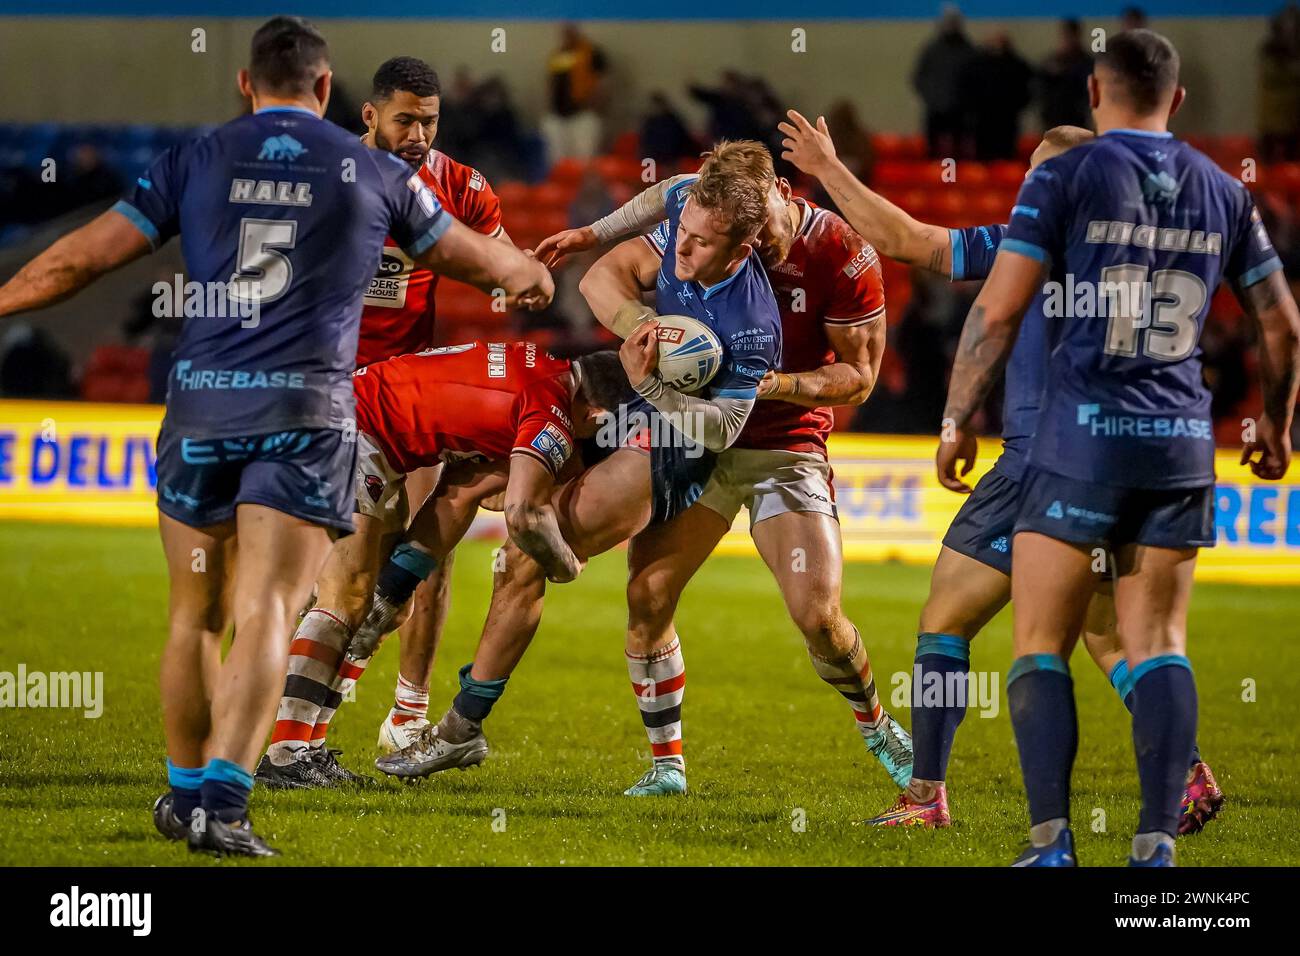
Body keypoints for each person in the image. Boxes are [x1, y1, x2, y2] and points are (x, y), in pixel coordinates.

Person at [0, 16, 552, 857]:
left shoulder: (198, 158)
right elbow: (493, 265)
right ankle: (225, 803)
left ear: (244, 85)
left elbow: (78, 261)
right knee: (267, 605)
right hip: (308, 414)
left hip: (203, 408)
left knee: (195, 617)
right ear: (333, 94)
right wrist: (534, 273)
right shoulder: (370, 171)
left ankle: (186, 796)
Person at [780, 110, 1227, 835]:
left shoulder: (1036, 239)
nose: (1029, 188)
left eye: (1039, 176)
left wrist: (828, 169)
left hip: (1041, 458)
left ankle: (930, 797)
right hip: (1126, 456)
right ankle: (1186, 773)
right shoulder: (1144, 253)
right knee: (1106, 633)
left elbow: (908, 242)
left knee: (946, 619)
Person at [941, 29, 1299, 866]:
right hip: (1179, 445)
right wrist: (1278, 425)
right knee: (1159, 644)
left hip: (1080, 443)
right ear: (1177, 100)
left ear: (1095, 94)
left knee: (1040, 640)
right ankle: (1154, 848)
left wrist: (959, 414)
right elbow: (1280, 322)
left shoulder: (1064, 176)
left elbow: (997, 310)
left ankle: (1052, 844)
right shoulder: (1224, 190)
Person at [365, 143, 784, 783]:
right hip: (627, 384)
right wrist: (597, 241)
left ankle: (459, 729)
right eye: (685, 234)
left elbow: (723, 431)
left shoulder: (752, 326)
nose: (681, 250)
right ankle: (382, 604)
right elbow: (635, 229)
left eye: (701, 245)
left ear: (743, 246)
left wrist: (655, 387)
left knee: (523, 559)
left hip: (674, 437)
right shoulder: (689, 203)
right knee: (474, 471)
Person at [260, 55, 517, 777]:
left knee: (418, 566)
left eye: (430, 121)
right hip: (331, 394)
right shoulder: (325, 181)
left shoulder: (461, 187)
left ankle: (398, 717)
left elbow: (498, 265)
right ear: (368, 115)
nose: (418, 134)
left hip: (411, 395)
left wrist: (521, 271)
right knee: (335, 573)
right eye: (405, 118)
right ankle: (286, 735)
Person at [256, 344, 633, 787]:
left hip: (361, 431)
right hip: (344, 430)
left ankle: (308, 748)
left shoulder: (539, 369)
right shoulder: (550, 414)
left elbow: (459, 490)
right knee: (348, 595)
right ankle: (287, 754)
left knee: (388, 608)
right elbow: (523, 512)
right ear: (596, 415)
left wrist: (397, 583)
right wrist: (565, 563)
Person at [911, 5, 977, 159]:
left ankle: (955, 180)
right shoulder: (932, 50)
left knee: (958, 153)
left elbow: (976, 81)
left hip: (961, 112)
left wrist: (967, 101)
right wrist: (932, 97)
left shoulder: (968, 50)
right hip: (935, 110)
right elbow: (919, 77)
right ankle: (938, 179)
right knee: (933, 153)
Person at [541, 23, 608, 162]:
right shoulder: (559, 54)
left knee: (584, 159)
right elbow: (553, 80)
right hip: (559, 114)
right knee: (557, 160)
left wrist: (596, 104)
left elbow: (602, 82)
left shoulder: (592, 53)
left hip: (583, 114)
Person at [1038, 18, 1094, 131]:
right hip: (1053, 121)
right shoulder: (1051, 62)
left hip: (1077, 121)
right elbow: (1041, 89)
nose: (1068, 40)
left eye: (1071, 35)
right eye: (1065, 36)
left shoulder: (1086, 62)